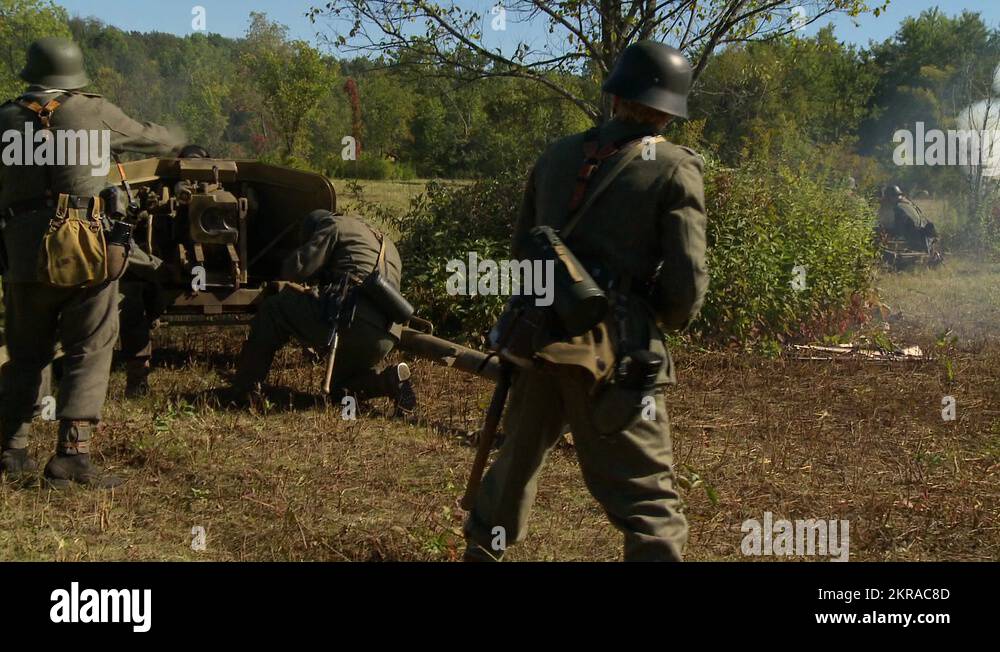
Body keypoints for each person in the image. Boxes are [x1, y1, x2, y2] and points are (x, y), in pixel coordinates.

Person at [462, 41, 709, 561]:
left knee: (510, 473)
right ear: (669, 108)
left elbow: (523, 251)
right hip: (615, 353)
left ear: (617, 93)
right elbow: (686, 287)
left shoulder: (556, 155)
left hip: (539, 336)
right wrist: (652, 314)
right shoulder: (673, 167)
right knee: (649, 501)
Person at [0, 37, 186, 487]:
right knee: (90, 345)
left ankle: (11, 449)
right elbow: (155, 138)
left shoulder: (4, 117)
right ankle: (72, 458)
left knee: (26, 352)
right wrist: (180, 135)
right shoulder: (91, 110)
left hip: (21, 251)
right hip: (85, 247)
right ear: (74, 74)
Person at [224, 209, 416, 412]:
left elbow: (298, 268)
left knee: (273, 309)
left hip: (351, 319)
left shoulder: (334, 226)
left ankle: (244, 389)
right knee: (340, 389)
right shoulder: (388, 243)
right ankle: (391, 379)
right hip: (387, 334)